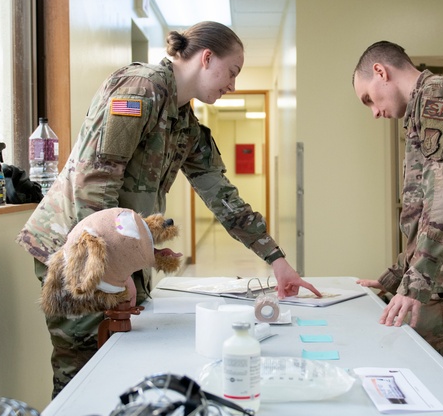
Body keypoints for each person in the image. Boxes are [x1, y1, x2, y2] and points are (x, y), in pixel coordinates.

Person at [18, 21, 320, 396]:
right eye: (232, 71)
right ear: (206, 58)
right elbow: (94, 184)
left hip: (117, 254)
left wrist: (276, 259)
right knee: (82, 371)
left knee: (122, 361)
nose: (232, 85)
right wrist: (111, 269)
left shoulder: (184, 124)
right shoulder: (139, 90)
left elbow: (223, 196)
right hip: (79, 250)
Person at [351, 41, 443, 388]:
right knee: (439, 385)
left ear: (380, 72)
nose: (374, 112)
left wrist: (415, 283)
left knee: (436, 388)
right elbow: (424, 207)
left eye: (368, 99)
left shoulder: (436, 95)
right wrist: (394, 277)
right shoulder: (424, 103)